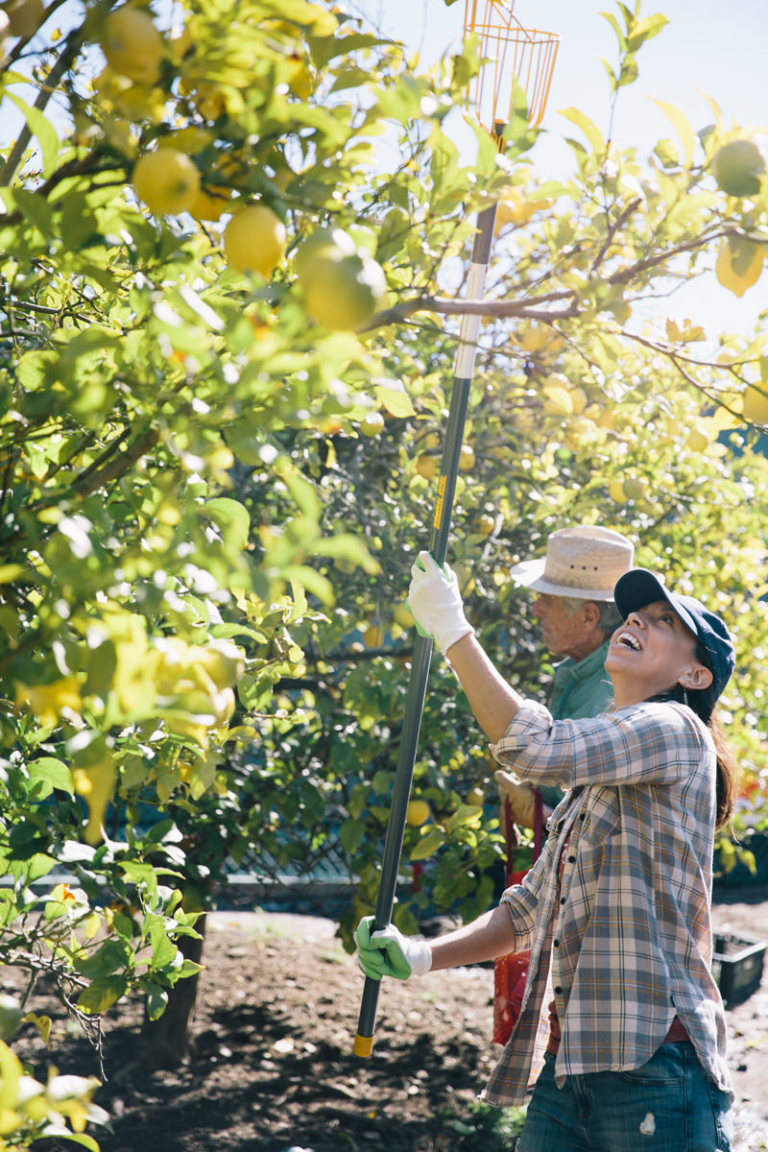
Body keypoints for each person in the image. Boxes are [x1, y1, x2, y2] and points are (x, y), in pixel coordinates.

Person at [356, 556, 737, 1152]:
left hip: (657, 1068)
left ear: (693, 675)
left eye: (664, 620)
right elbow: (526, 913)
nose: (636, 619)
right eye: (636, 612)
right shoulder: (596, 779)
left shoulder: (674, 729)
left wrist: (454, 628)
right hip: (570, 1067)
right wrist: (421, 954)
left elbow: (533, 748)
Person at [500, 525, 633, 827]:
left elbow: (596, 828)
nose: (536, 609)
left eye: (547, 599)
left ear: (589, 617)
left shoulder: (612, 691)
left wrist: (541, 818)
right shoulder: (589, 670)